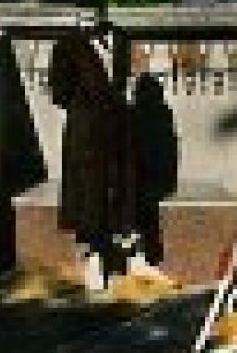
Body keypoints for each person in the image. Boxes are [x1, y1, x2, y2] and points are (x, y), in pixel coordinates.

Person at [48, 27, 132, 291]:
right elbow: (58, 92)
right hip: (85, 132)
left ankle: (117, 258)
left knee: (116, 191)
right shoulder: (67, 43)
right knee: (87, 194)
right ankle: (92, 259)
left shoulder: (120, 39)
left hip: (116, 131)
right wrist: (83, 107)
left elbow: (122, 83)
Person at [128, 73, 180, 270]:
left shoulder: (134, 113)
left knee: (141, 216)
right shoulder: (163, 112)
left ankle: (143, 255)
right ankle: (151, 255)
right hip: (157, 176)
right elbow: (170, 146)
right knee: (149, 218)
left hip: (139, 176)